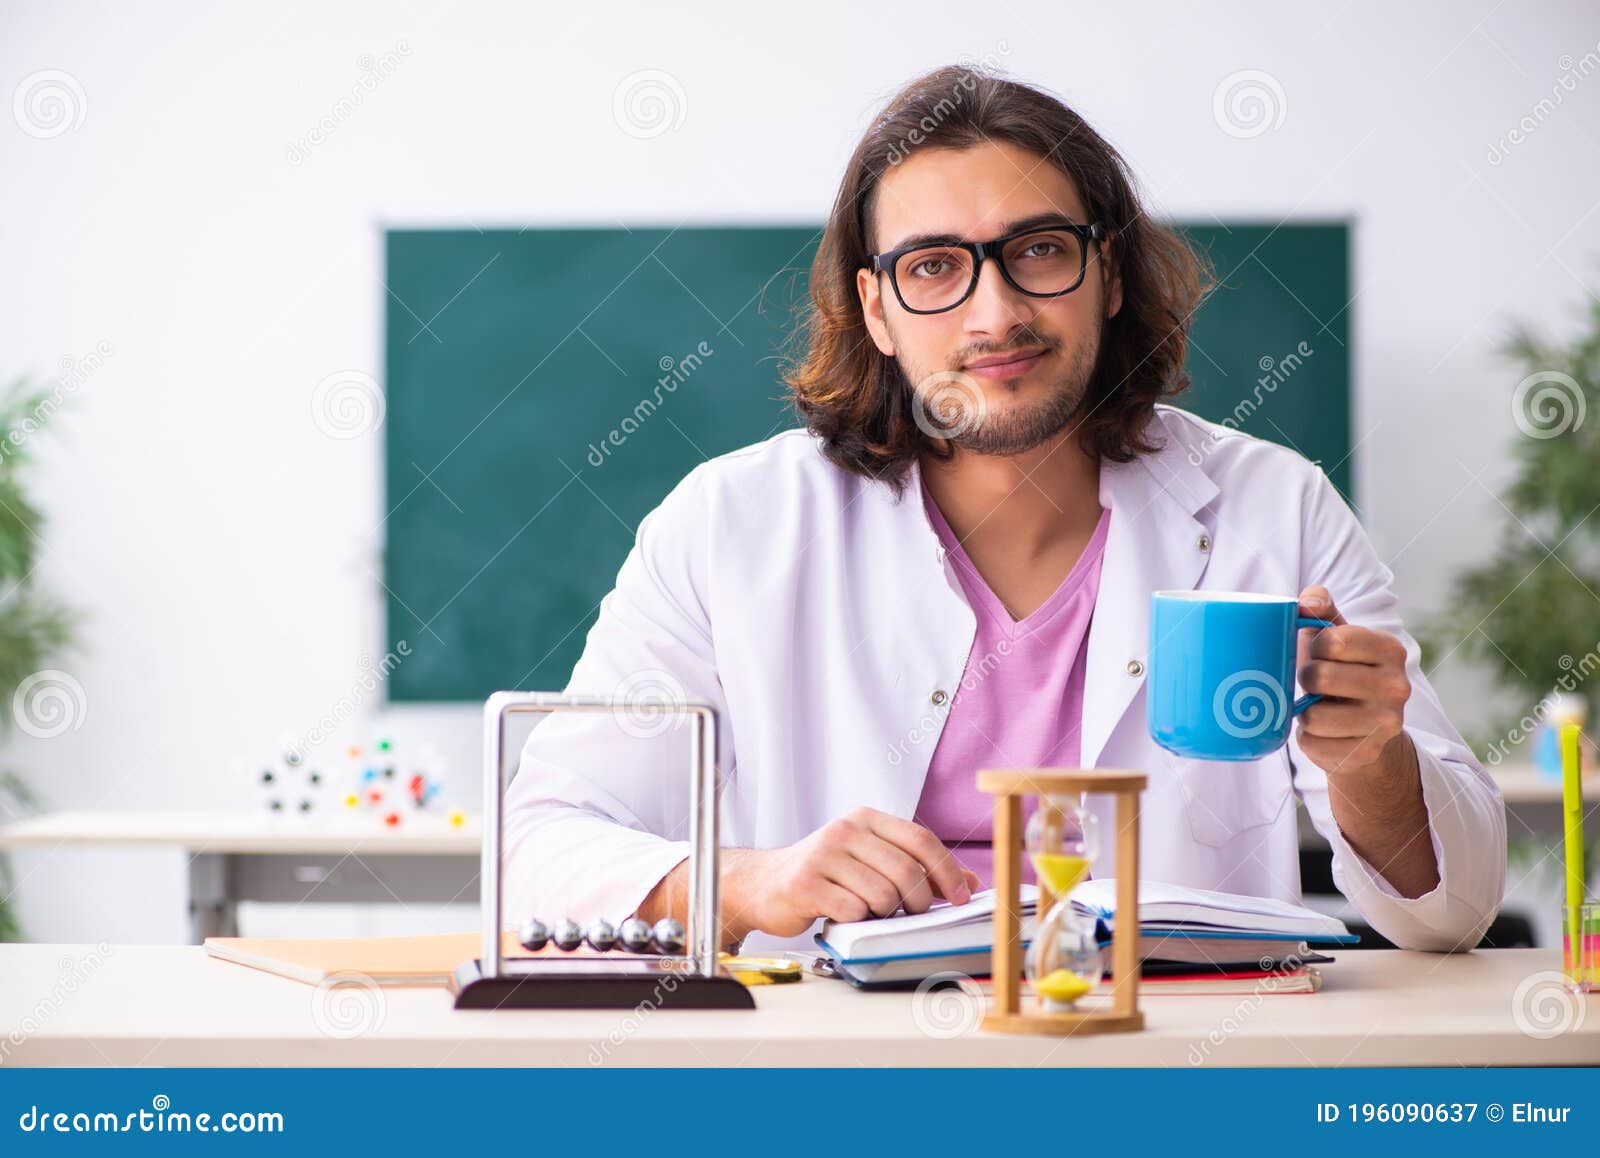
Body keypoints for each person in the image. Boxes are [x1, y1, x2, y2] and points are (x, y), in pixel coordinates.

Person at [503, 65, 1505, 955]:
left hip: (1171, 1060)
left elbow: (1451, 913)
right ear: (876, 309)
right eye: (933, 266)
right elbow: (538, 845)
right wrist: (749, 884)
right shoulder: (732, 525)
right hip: (845, 1063)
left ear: (1109, 274)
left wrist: (1370, 760)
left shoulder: (1274, 507)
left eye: (1038, 249)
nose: (996, 314)